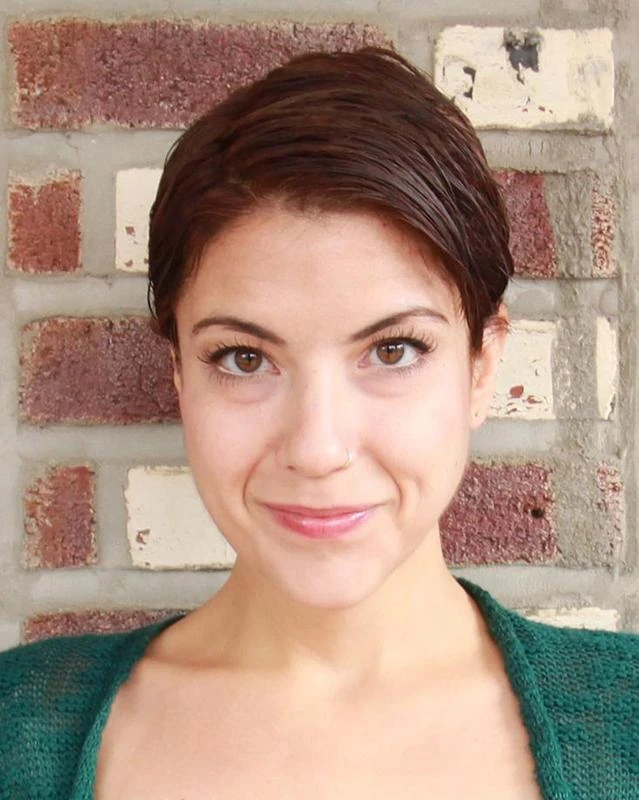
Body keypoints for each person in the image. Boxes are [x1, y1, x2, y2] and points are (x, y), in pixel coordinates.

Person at [0, 47, 637, 800]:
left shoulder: (624, 725)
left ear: (481, 366)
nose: (317, 448)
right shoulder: (19, 730)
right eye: (243, 359)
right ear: (179, 374)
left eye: (393, 351)